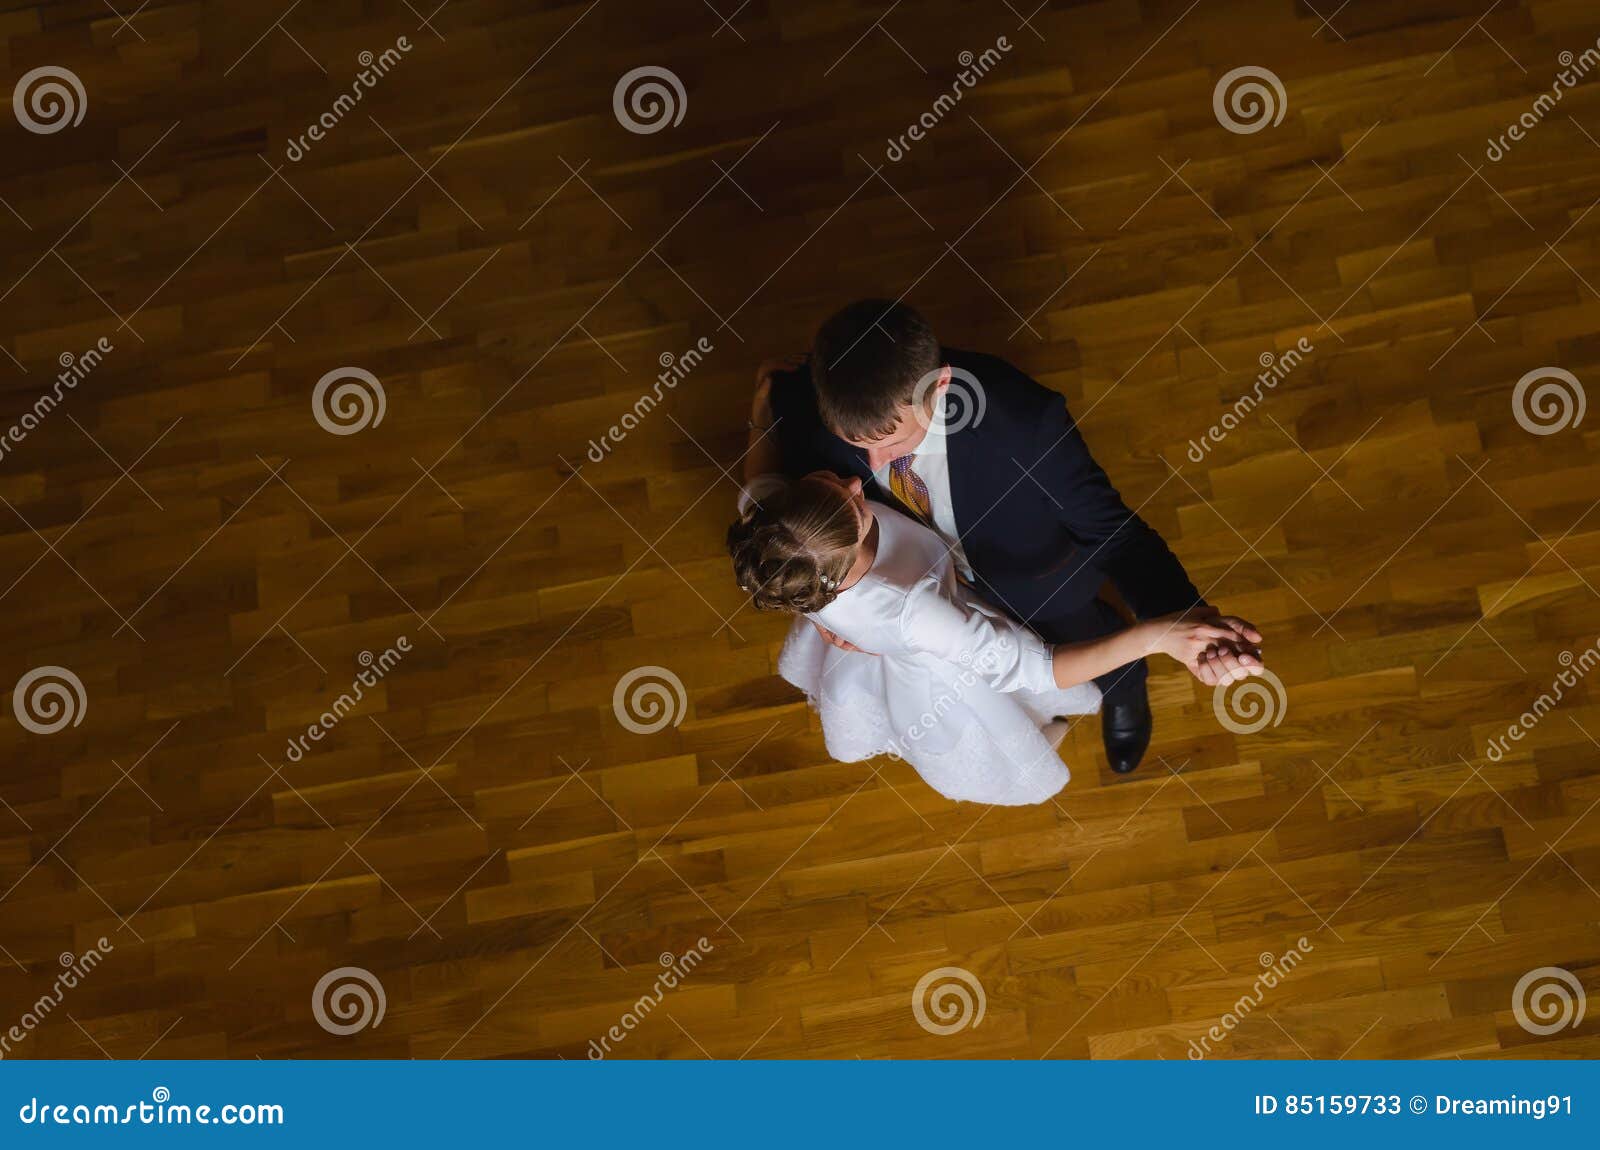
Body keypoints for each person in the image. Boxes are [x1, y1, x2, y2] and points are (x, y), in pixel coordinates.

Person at [748, 302, 1263, 773]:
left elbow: (1113, 533)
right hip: (926, 605)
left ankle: (1126, 691)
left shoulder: (1023, 422)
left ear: (940, 385)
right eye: (853, 445)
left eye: (893, 441)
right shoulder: (803, 403)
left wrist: (1193, 622)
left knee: (1093, 641)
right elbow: (791, 516)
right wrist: (825, 605)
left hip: (1037, 581)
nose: (871, 469)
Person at [726, 469, 1256, 805]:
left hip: (915, 627)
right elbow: (1038, 667)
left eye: (830, 482)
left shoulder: (779, 535)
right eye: (854, 503)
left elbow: (759, 479)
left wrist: (760, 396)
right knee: (995, 709)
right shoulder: (915, 614)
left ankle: (1041, 720)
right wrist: (1155, 635)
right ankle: (1041, 730)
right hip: (937, 657)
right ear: (841, 560)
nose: (854, 484)